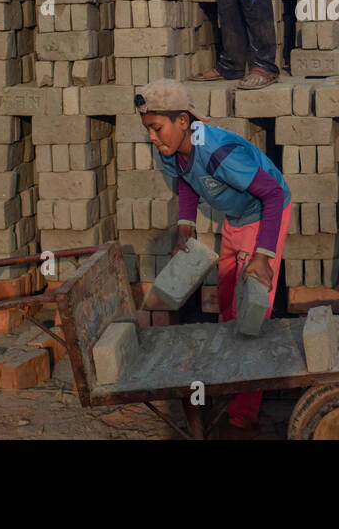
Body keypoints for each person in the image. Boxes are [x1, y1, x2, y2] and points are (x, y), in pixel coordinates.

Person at [137, 78, 293, 434]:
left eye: (157, 128)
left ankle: (243, 413)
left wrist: (262, 256)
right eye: (147, 129)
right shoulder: (174, 149)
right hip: (238, 217)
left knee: (251, 312)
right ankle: (228, 376)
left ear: (182, 121)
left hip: (265, 215)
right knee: (226, 299)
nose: (152, 137)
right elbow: (188, 181)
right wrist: (185, 226)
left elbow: (270, 195)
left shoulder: (219, 151)